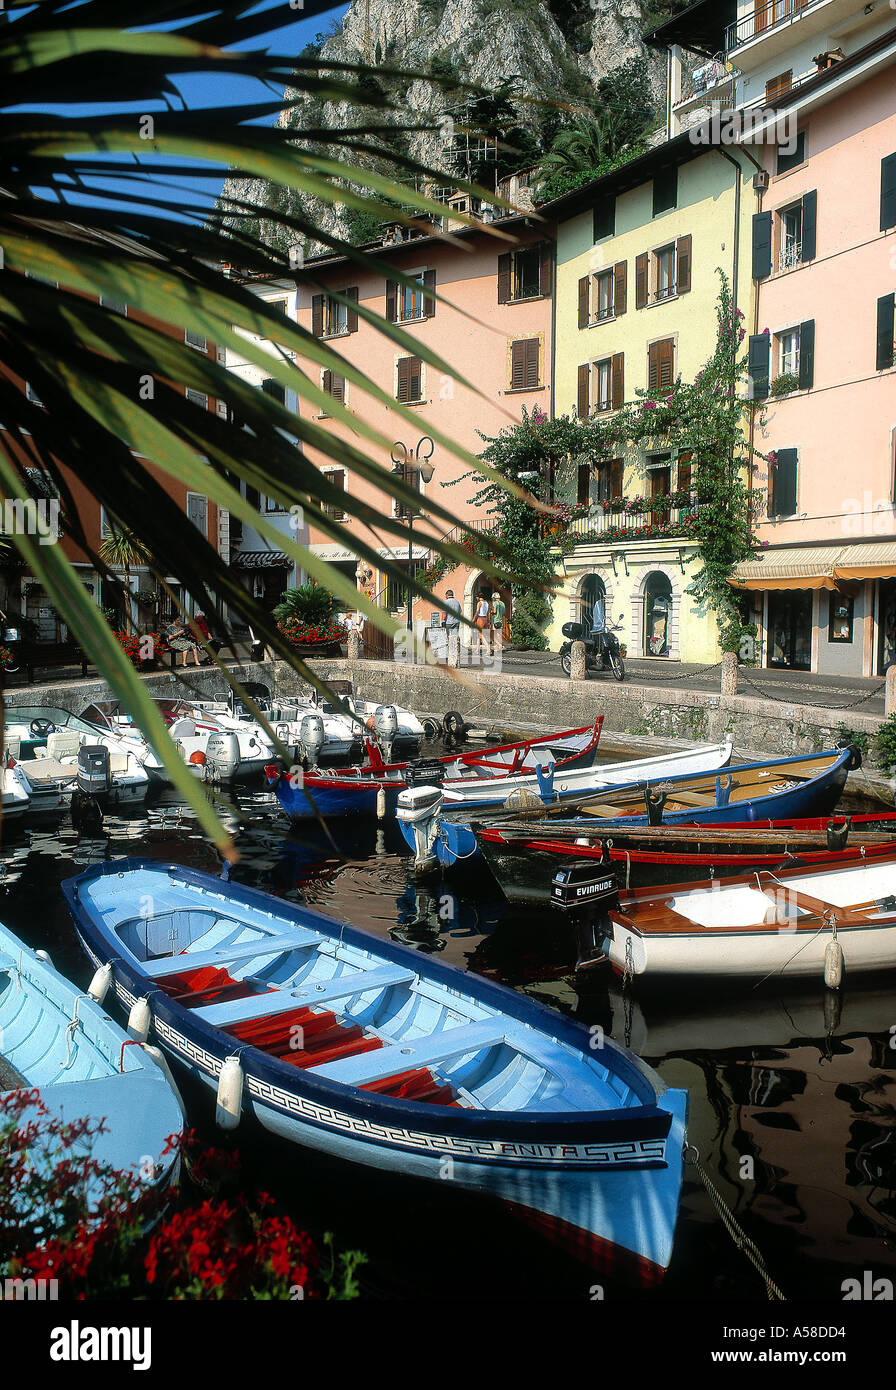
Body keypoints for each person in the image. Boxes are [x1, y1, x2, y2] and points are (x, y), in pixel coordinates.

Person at [473, 591, 490, 657]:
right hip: (485, 619)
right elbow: (488, 613)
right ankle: (477, 650)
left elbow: (477, 612)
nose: (476, 598)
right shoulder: (487, 603)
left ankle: (488, 650)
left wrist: (473, 620)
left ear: (478, 597)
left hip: (480, 619)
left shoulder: (479, 603)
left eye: (476, 597)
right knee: (478, 635)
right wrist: (488, 621)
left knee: (481, 636)